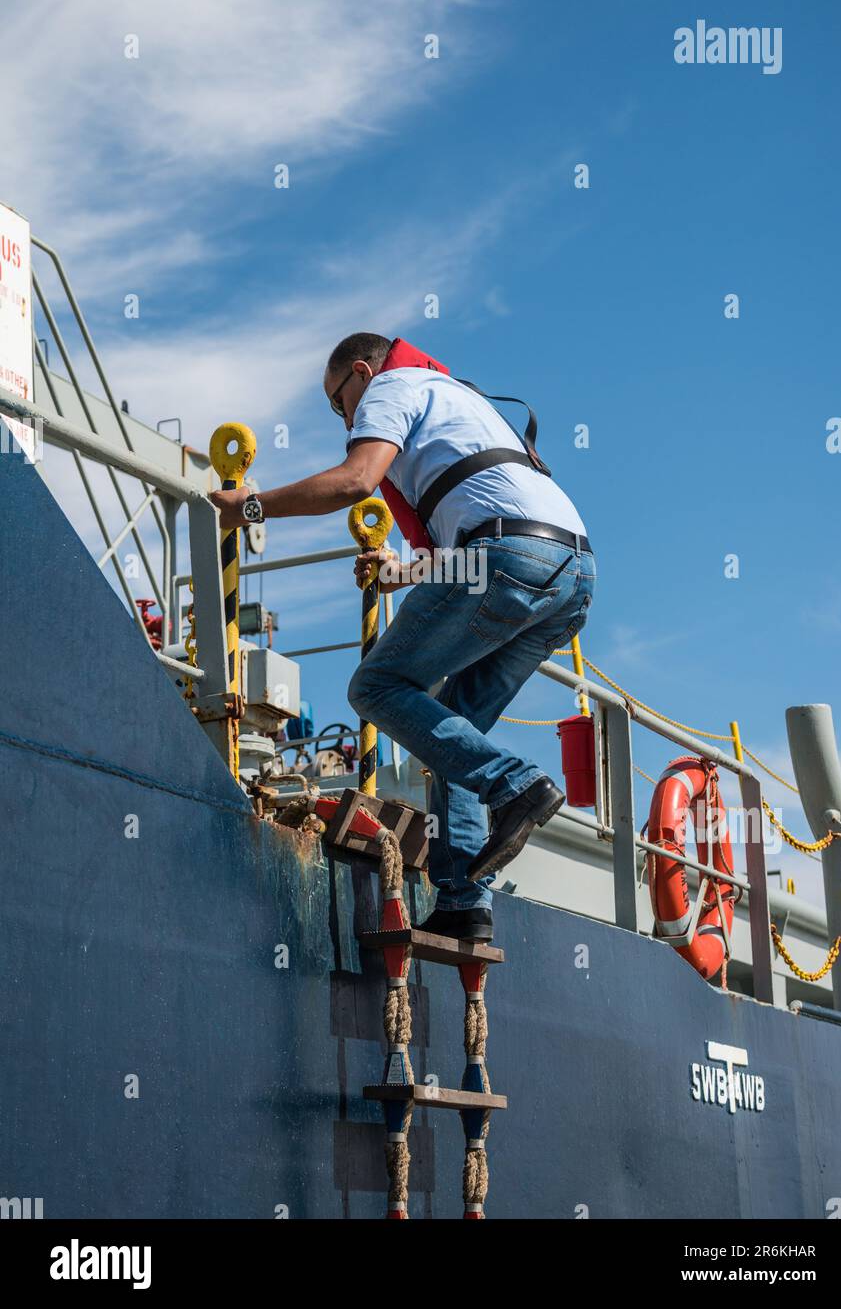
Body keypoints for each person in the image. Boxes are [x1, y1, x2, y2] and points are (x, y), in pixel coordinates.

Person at [211, 332, 596, 941]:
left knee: (378, 687)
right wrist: (398, 574)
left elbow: (356, 481)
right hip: (569, 573)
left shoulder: (391, 387)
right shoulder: (458, 399)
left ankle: (515, 784)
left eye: (339, 403)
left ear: (361, 373)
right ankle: (464, 905)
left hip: (504, 556)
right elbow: (472, 530)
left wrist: (250, 507)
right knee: (452, 730)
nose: (345, 417)